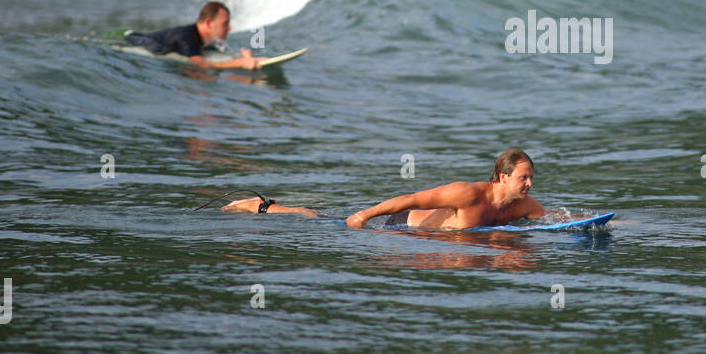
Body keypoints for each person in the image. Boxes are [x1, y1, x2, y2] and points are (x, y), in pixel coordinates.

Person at [220, 149, 544, 230]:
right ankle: (262, 206)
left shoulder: (522, 205)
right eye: (523, 178)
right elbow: (411, 198)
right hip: (399, 223)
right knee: (319, 218)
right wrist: (364, 215)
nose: (529, 184)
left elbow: (557, 220)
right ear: (502, 177)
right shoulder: (468, 193)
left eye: (530, 178)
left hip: (416, 230)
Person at [125, 1, 263, 70]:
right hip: (137, 41)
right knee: (159, 49)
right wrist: (241, 63)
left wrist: (245, 57)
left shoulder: (207, 40)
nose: (229, 28)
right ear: (208, 23)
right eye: (225, 24)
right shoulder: (187, 36)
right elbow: (201, 64)